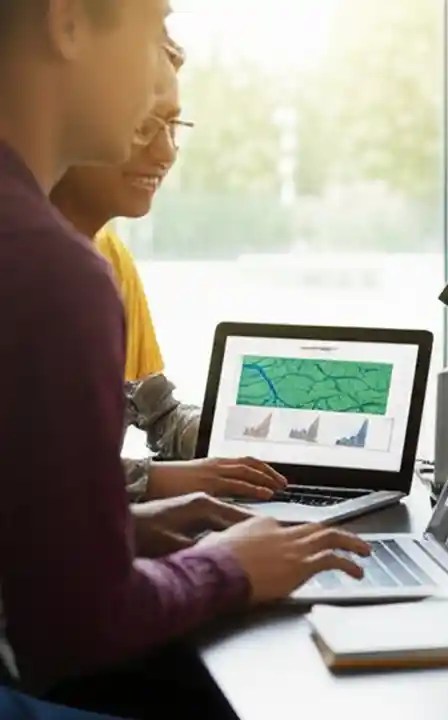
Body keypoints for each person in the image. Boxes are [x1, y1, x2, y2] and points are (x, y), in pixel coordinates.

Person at [0, 0, 369, 705]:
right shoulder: (50, 269)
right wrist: (228, 567)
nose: (162, 68)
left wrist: (129, 524)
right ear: (67, 22)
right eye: (154, 29)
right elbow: (74, 628)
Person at [50, 38, 285, 503]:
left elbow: (155, 413)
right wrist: (165, 483)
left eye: (173, 126)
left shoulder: (109, 256)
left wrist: (257, 442)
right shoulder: (28, 269)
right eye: (142, 126)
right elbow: (35, 474)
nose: (167, 153)